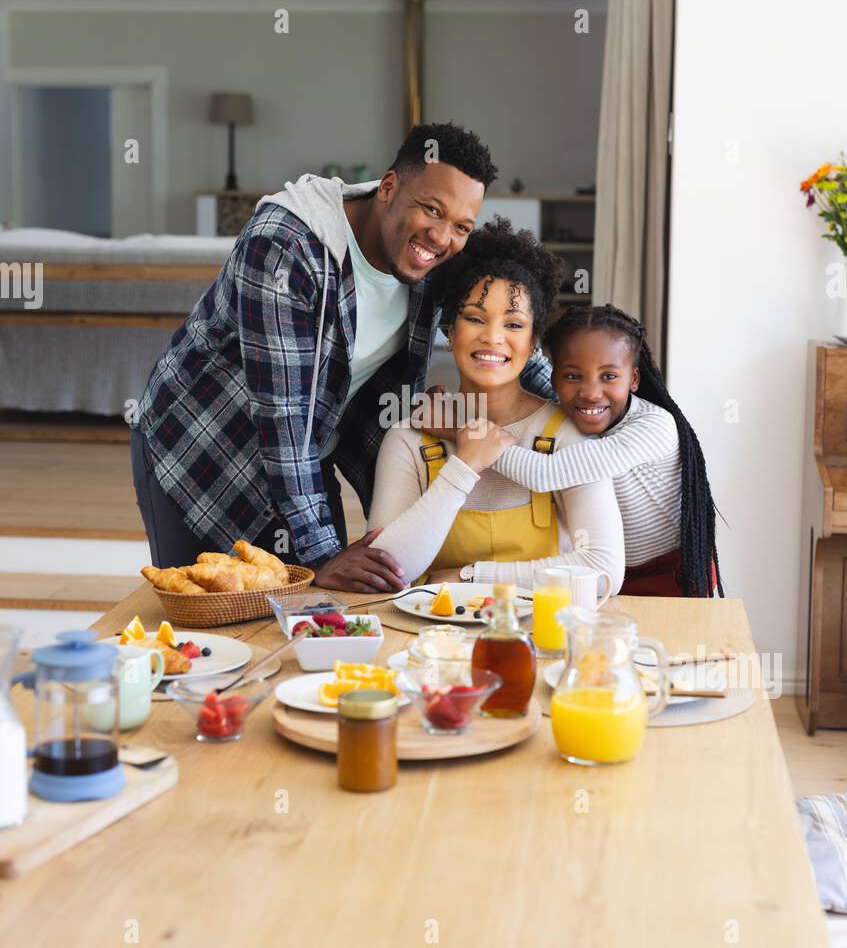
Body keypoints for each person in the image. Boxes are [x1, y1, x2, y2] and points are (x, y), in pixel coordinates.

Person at [130, 123, 554, 592]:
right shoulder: (286, 248)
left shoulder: (438, 256)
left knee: (319, 607)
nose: (441, 237)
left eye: (461, 226)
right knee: (204, 610)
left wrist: (594, 397)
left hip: (309, 452)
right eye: (431, 210)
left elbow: (511, 340)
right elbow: (283, 412)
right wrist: (322, 555)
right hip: (200, 449)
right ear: (389, 187)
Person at [367, 221, 625, 593]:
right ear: (450, 330)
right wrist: (465, 464)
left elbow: (602, 571)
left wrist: (469, 577)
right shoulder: (411, 437)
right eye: (474, 318)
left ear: (533, 339)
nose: (492, 337)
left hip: (544, 640)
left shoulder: (568, 435)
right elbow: (387, 571)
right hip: (434, 646)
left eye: (514, 324)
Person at [481, 302, 723, 597]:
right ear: (555, 378)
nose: (591, 393)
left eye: (609, 376)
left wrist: (464, 432)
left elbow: (544, 473)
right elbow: (525, 375)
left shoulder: (654, 427)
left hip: (672, 572)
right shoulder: (569, 416)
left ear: (633, 379)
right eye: (572, 376)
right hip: (606, 574)